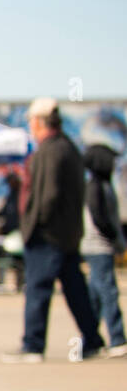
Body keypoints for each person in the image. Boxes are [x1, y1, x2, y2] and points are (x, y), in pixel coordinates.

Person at [3, 97, 104, 362]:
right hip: (66, 233)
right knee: (75, 289)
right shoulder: (67, 147)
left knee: (37, 289)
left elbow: (47, 195)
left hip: (48, 235)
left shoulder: (50, 150)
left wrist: (33, 226)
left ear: (38, 122)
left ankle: (33, 345)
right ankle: (93, 340)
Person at [81, 144, 127, 358]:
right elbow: (100, 217)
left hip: (99, 245)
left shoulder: (103, 184)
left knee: (95, 296)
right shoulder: (95, 186)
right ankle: (117, 338)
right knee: (108, 291)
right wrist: (112, 237)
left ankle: (89, 338)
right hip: (98, 246)